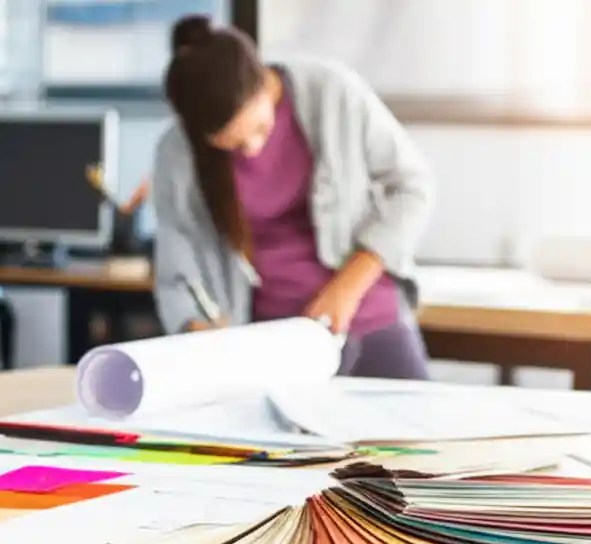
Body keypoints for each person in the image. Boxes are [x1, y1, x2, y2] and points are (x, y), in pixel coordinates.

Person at [153, 15, 434, 380]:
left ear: (263, 82)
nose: (252, 150)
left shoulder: (335, 92)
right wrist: (196, 330)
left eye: (260, 129)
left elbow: (413, 187)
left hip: (370, 316)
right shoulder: (177, 154)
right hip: (271, 343)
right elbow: (176, 261)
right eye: (234, 146)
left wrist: (347, 286)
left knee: (414, 434)